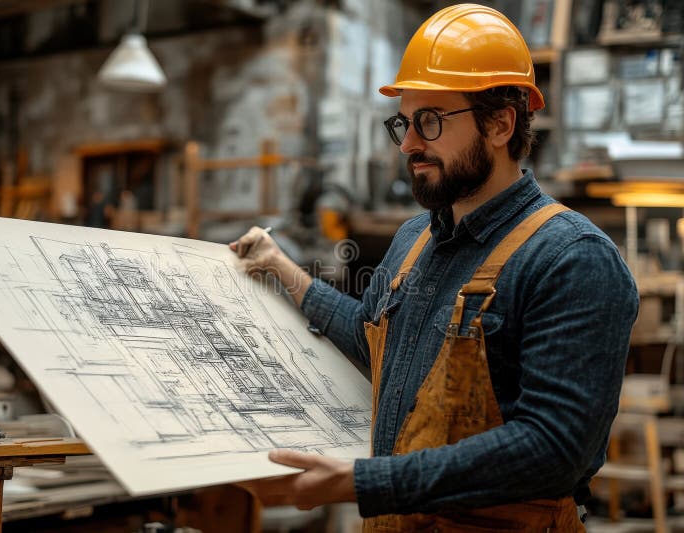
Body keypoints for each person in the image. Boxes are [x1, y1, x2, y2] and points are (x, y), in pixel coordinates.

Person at [230, 4, 639, 532]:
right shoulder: (412, 240)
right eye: (405, 122)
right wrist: (282, 269)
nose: (408, 144)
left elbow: (554, 449)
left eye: (430, 120)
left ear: (500, 124)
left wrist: (367, 482)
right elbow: (376, 348)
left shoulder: (571, 258)